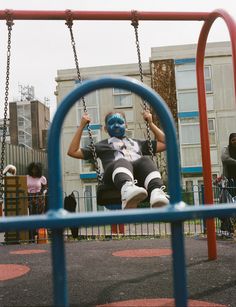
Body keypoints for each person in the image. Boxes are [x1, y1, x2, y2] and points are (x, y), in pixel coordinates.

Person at [67, 110, 169, 209]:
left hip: (137, 178)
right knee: (121, 160)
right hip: (113, 179)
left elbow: (166, 143)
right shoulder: (101, 145)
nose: (116, 125)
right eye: (112, 123)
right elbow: (73, 151)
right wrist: (81, 127)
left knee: (145, 161)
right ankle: (127, 190)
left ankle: (156, 193)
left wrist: (150, 124)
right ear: (105, 128)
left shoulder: (138, 143)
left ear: (126, 125)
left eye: (120, 122)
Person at [27, 162, 47, 242]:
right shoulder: (27, 177)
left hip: (39, 198)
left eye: (35, 169)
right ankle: (31, 238)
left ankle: (40, 237)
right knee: (31, 216)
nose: (33, 170)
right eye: (32, 169)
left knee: (39, 216)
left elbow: (45, 187)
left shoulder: (42, 178)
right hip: (29, 197)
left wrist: (43, 193)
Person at [220, 133, 236, 236]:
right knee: (228, 202)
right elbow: (224, 158)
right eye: (233, 140)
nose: (235, 142)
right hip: (229, 180)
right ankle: (228, 227)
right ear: (230, 141)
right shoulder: (227, 149)